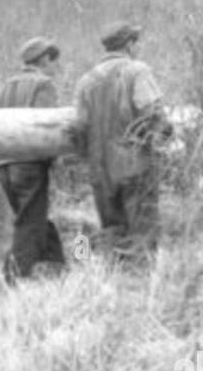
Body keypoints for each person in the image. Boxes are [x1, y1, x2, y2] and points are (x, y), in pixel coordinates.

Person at [73, 20, 172, 264]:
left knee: (112, 230)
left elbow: (79, 127)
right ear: (129, 44)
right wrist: (167, 133)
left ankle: (115, 283)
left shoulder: (86, 80)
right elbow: (152, 112)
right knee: (143, 229)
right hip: (134, 163)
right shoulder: (137, 71)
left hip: (99, 170)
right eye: (135, 42)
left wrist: (90, 159)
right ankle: (140, 287)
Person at [0, 35, 67, 282]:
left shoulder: (4, 86)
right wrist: (56, 159)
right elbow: (46, 127)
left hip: (2, 164)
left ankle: (58, 268)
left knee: (32, 217)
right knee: (30, 223)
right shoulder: (43, 84)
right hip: (28, 163)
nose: (54, 65)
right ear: (43, 59)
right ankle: (13, 278)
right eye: (52, 59)